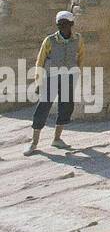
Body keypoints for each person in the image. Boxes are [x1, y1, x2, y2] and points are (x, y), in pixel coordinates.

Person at [25, 10, 83, 154]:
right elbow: (40, 61)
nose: (63, 27)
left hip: (68, 76)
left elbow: (81, 56)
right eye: (60, 24)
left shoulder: (78, 39)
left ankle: (57, 139)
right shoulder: (49, 40)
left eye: (66, 24)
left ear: (71, 24)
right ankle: (34, 142)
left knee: (66, 107)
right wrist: (38, 82)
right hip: (50, 77)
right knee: (43, 107)